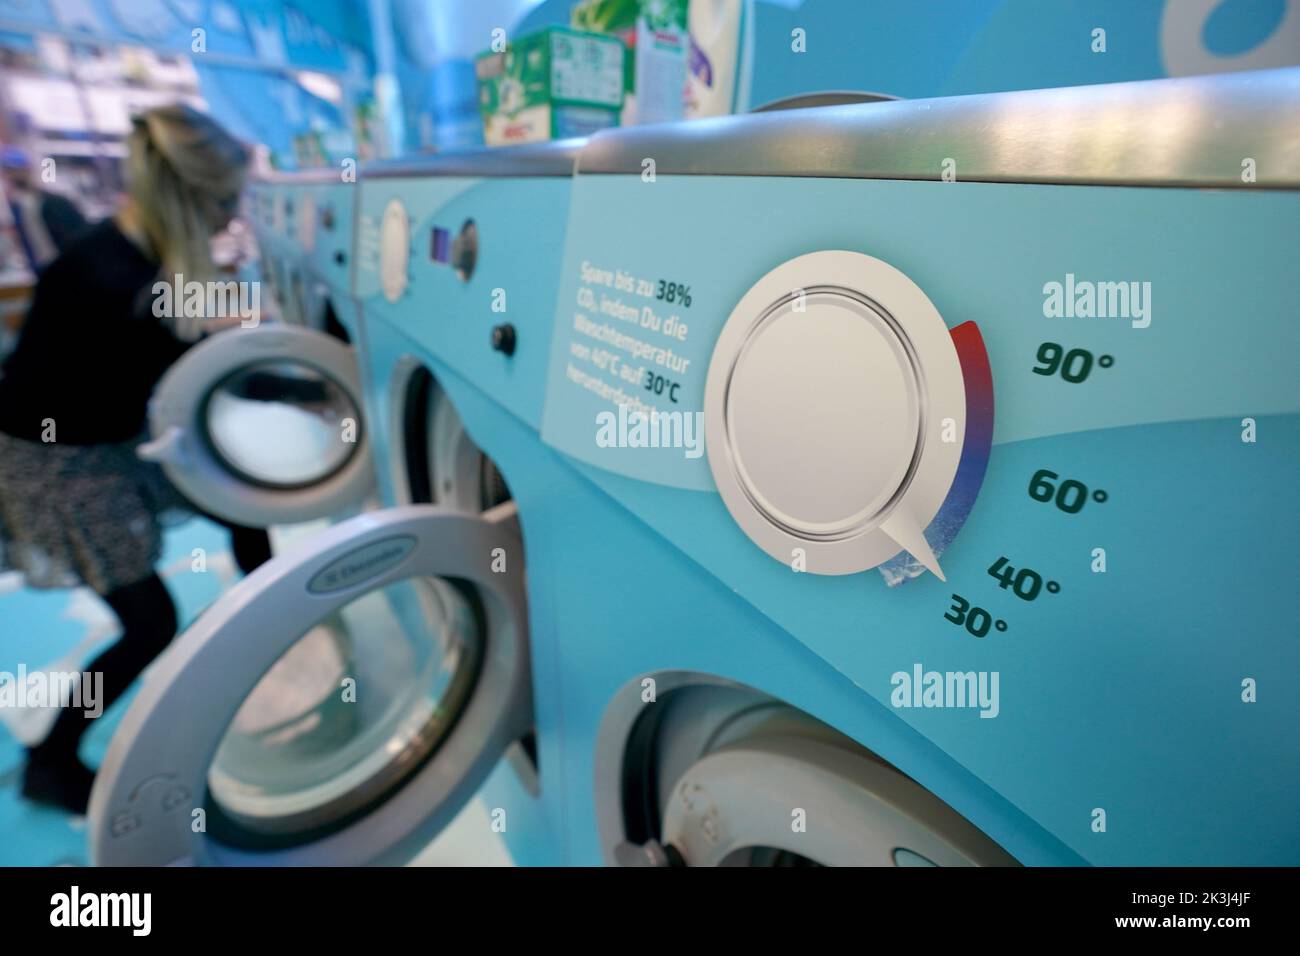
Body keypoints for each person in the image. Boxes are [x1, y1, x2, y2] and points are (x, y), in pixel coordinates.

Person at [0, 104, 271, 814]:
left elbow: (192, 330)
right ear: (191, 199)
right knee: (148, 620)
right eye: (226, 201)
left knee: (234, 492)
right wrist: (329, 379)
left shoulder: (125, 254)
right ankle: (50, 760)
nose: (232, 216)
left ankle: (269, 617)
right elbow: (209, 364)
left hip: (100, 440)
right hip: (58, 464)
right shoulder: (118, 281)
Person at [1, 146, 90, 273]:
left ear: (28, 169)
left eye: (18, 170)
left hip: (67, 263)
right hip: (42, 268)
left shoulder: (51, 200)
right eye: (10, 171)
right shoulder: (15, 205)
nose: (15, 175)